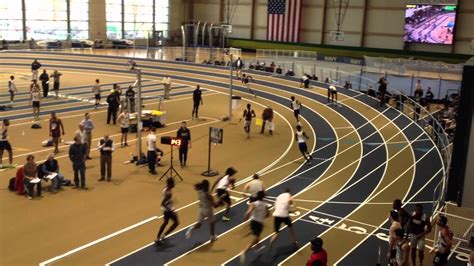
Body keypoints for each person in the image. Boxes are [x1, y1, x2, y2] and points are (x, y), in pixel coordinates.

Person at [240, 191, 270, 264]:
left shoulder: (254, 203)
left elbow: (248, 212)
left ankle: (258, 246)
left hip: (253, 222)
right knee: (255, 238)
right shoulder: (265, 205)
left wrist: (245, 218)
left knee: (256, 236)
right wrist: (263, 214)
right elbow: (267, 214)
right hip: (259, 223)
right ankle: (244, 252)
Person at [155, 177, 179, 245]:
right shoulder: (168, 193)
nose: (174, 184)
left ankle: (158, 237)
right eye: (173, 183)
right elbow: (162, 204)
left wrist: (171, 202)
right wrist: (171, 210)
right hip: (168, 210)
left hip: (166, 209)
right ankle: (163, 236)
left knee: (165, 222)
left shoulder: (165, 188)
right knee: (176, 223)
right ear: (170, 184)